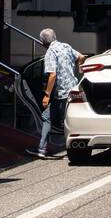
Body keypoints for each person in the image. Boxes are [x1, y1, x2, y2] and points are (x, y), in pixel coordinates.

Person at [28, 27, 82, 160]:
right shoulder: (65, 46)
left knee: (50, 118)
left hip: (62, 92)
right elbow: (81, 56)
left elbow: (52, 75)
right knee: (63, 118)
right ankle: (49, 147)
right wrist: (78, 70)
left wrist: (46, 95)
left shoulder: (50, 53)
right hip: (73, 88)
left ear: (42, 42)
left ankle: (44, 149)